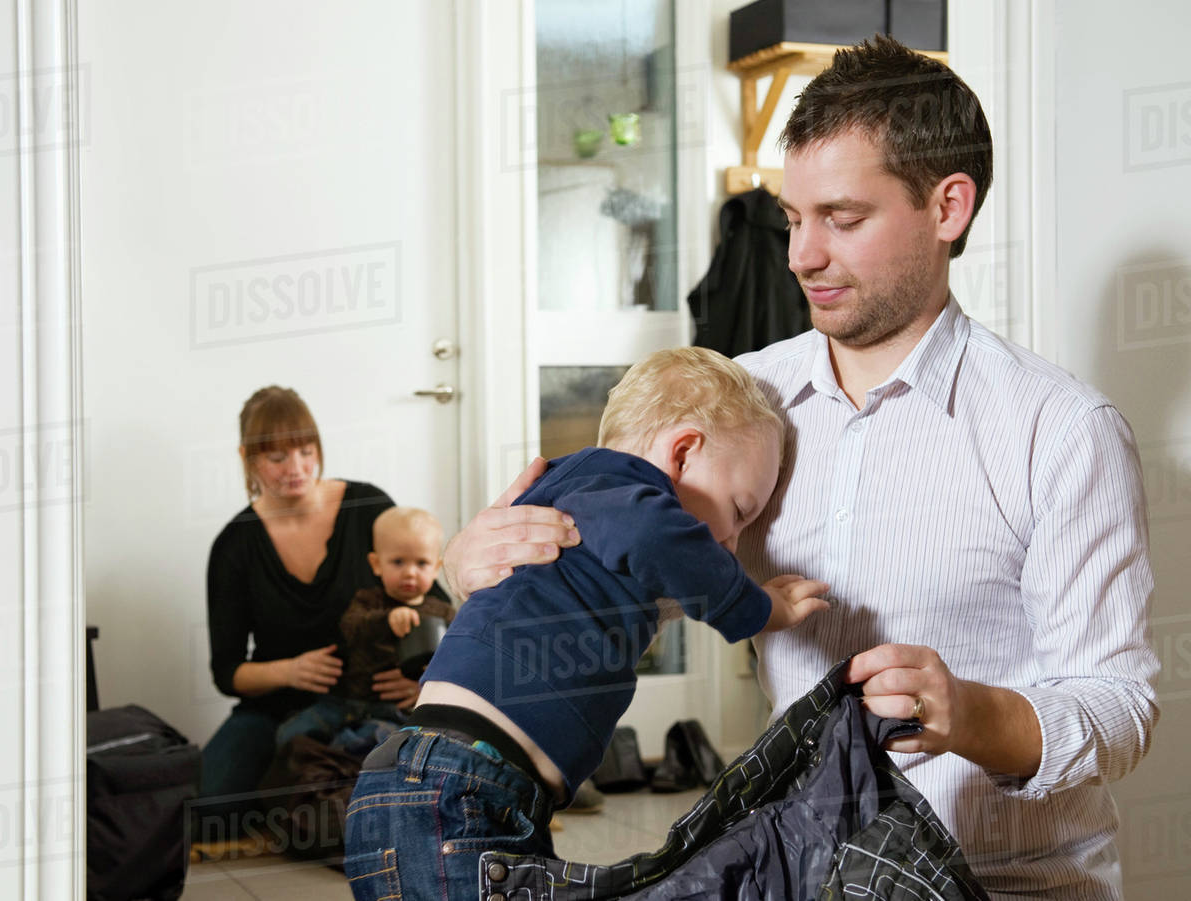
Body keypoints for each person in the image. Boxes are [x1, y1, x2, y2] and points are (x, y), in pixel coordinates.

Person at [441, 36, 1159, 901]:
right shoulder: (743, 406)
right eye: (793, 217)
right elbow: (626, 578)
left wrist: (971, 712)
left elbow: (1118, 705)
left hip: (1003, 881)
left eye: (844, 220)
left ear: (949, 207)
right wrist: (480, 569)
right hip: (802, 870)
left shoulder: (1061, 431)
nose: (800, 255)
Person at [343, 347, 830, 901]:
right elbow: (657, 539)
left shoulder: (575, 485)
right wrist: (762, 608)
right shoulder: (623, 491)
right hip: (464, 788)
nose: (733, 542)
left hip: (443, 781)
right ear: (683, 451)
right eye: (741, 510)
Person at [197, 386, 441, 843]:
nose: (296, 469)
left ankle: (315, 802)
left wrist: (420, 683)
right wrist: (289, 671)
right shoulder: (234, 545)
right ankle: (300, 797)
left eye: (306, 452)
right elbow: (228, 672)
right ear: (247, 459)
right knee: (209, 804)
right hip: (279, 708)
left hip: (377, 699)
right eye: (276, 458)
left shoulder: (367, 508)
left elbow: (437, 608)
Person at [273, 506, 455, 749]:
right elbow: (351, 626)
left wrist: (424, 686)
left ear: (436, 568)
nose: (410, 572)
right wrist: (387, 620)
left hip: (395, 710)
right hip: (346, 701)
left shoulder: (443, 612)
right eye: (398, 562)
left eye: (421, 563)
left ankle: (344, 748)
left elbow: (455, 660)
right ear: (376, 564)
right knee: (289, 734)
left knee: (375, 743)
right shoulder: (367, 601)